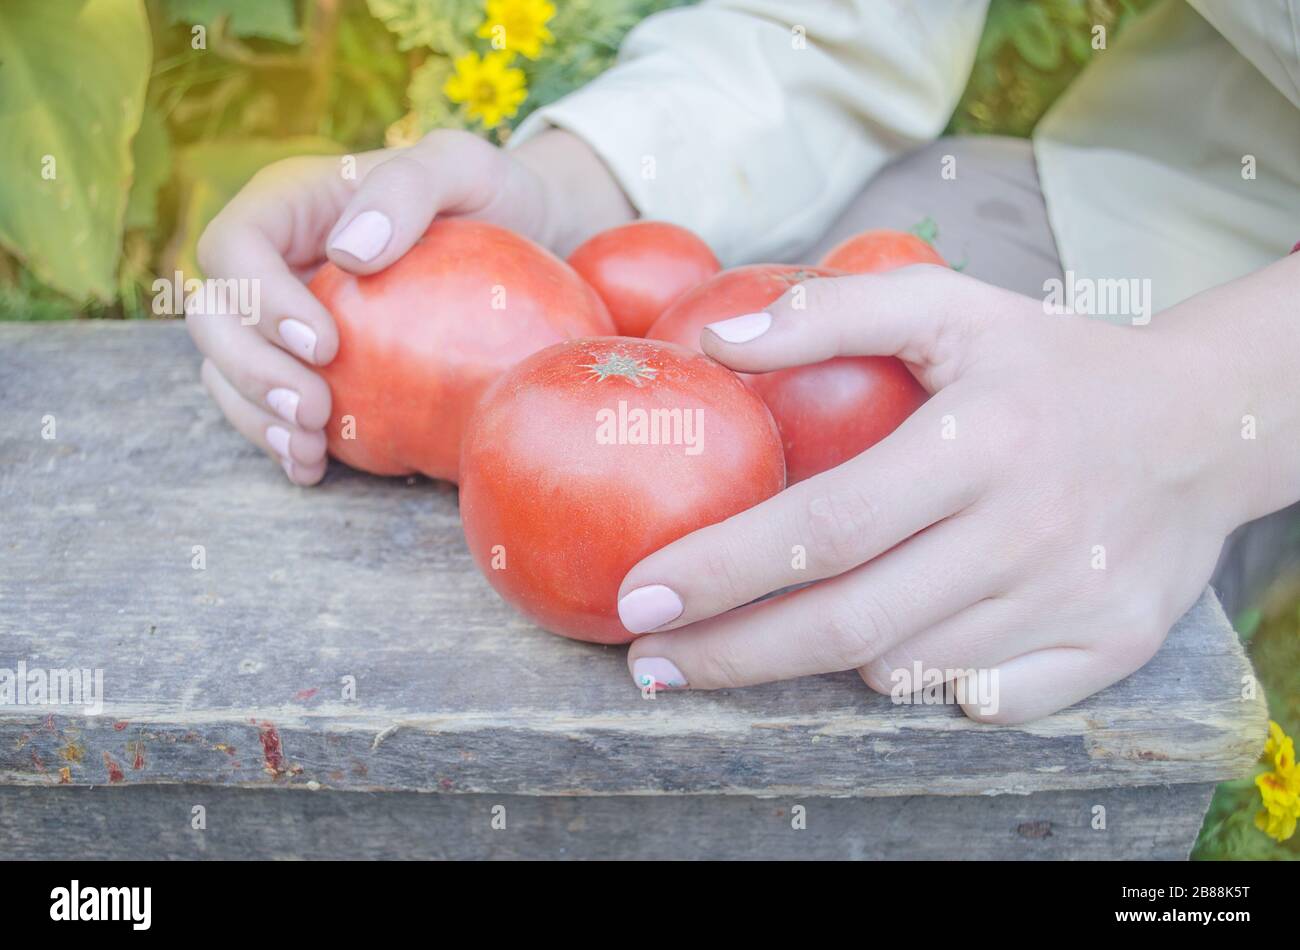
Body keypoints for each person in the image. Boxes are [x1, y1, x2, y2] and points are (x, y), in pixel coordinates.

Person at [188, 0, 1300, 722]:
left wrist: (1203, 410)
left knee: (997, 682)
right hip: (1185, 186)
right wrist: (570, 198)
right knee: (846, 323)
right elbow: (842, 22)